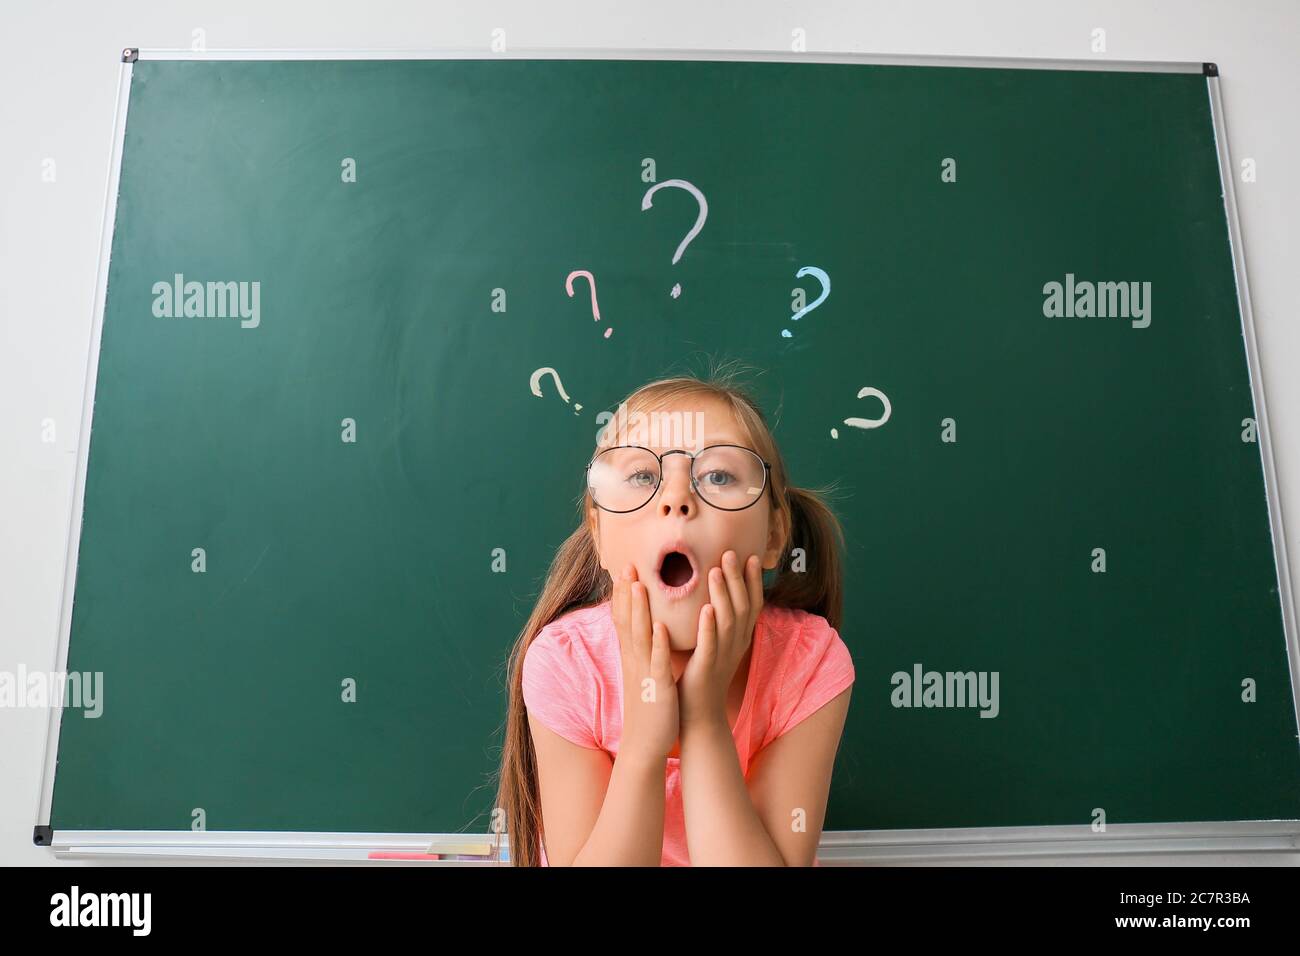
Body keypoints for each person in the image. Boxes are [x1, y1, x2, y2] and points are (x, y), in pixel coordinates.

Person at [494, 363, 854, 865]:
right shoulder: (565, 664)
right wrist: (644, 741)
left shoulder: (810, 663)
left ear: (774, 536)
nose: (677, 499)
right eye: (642, 475)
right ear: (599, 536)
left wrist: (703, 718)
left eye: (719, 475)